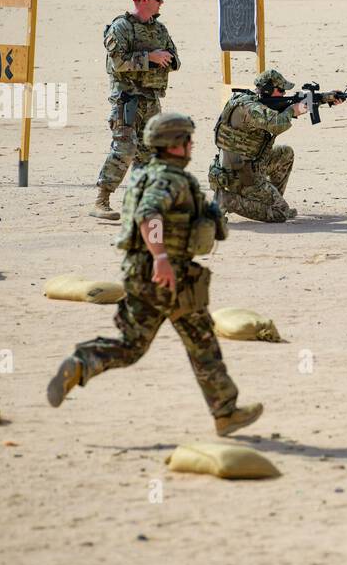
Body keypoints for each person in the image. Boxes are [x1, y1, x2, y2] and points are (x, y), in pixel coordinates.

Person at [50, 110, 263, 436]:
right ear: (175, 144)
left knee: (143, 344)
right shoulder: (169, 180)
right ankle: (225, 411)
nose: (192, 145)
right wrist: (161, 258)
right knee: (201, 344)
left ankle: (84, 362)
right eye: (187, 139)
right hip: (168, 275)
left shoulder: (145, 174)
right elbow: (150, 214)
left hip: (144, 273)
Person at [90, 0, 180, 220]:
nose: (162, 2)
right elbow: (118, 62)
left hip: (151, 99)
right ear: (143, 1)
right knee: (125, 148)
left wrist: (166, 59)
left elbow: (175, 59)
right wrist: (149, 57)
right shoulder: (121, 27)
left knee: (150, 153)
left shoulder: (159, 29)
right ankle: (101, 200)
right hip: (127, 99)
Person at [209, 68, 340, 223]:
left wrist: (327, 98)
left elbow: (285, 103)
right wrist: (292, 110)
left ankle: (267, 201)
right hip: (240, 175)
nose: (284, 94)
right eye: (281, 90)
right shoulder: (249, 108)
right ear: (268, 90)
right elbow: (277, 124)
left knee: (285, 153)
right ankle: (227, 200)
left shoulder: (253, 99)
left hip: (247, 165)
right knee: (280, 214)